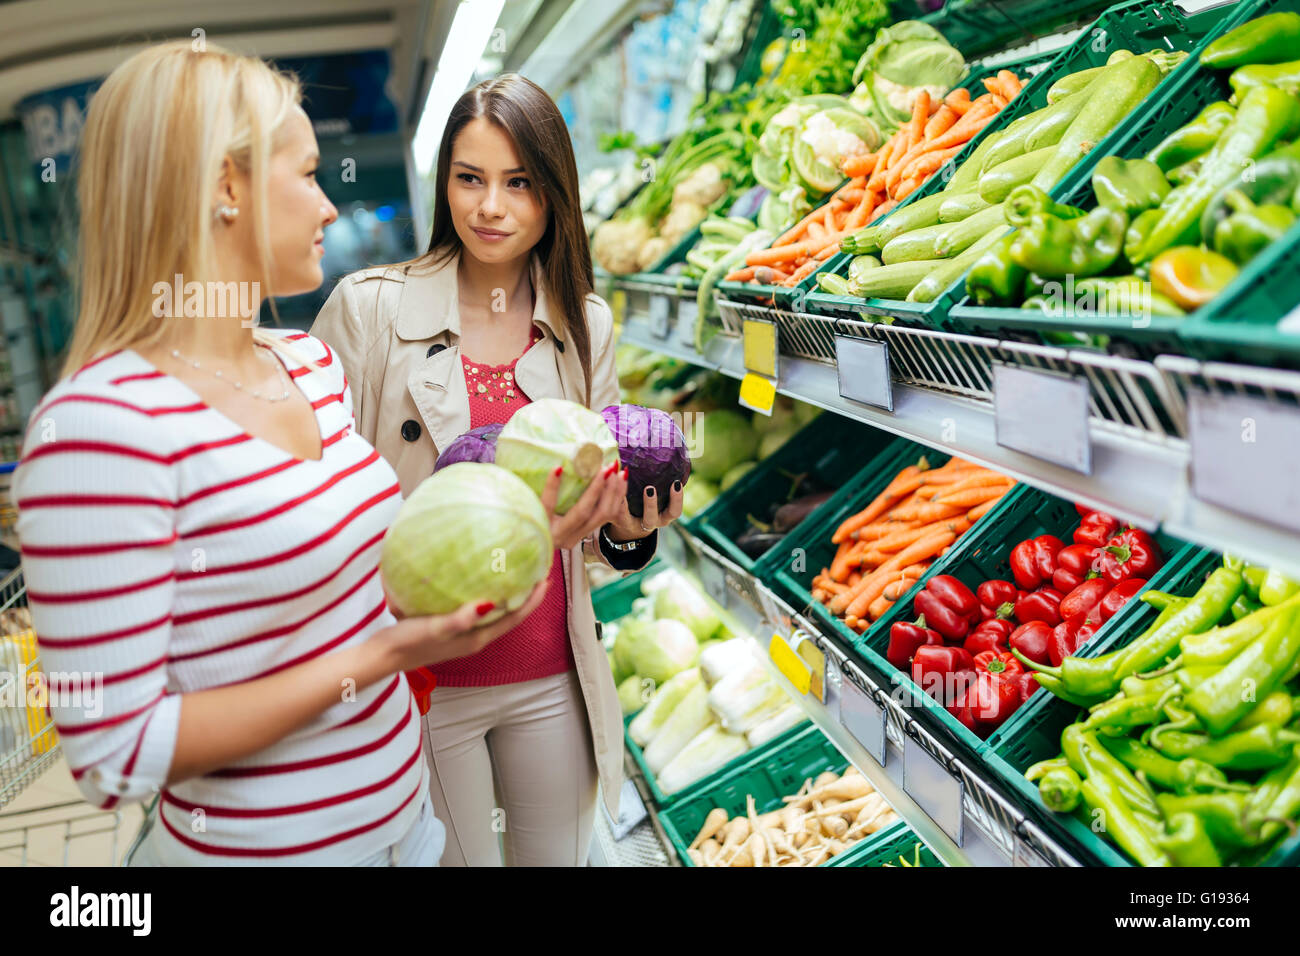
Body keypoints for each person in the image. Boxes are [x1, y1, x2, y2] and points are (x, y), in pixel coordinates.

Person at [13, 41, 546, 866]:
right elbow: (115, 755)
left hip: (410, 826)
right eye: (306, 175)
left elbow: (346, 594)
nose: (330, 209)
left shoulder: (305, 361)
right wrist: (390, 655)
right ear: (227, 187)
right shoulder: (99, 428)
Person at [311, 73, 685, 866]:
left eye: (519, 183)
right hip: (428, 681)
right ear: (443, 179)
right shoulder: (368, 309)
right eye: (469, 178)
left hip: (553, 671)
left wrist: (625, 530)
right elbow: (320, 506)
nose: (490, 207)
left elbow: (595, 531)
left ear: (554, 194)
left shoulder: (584, 324)